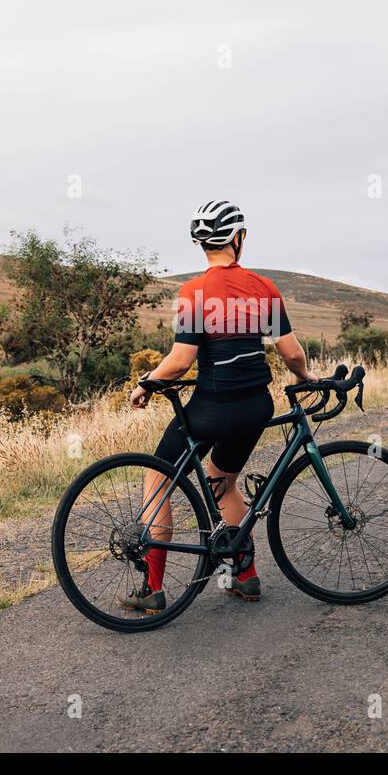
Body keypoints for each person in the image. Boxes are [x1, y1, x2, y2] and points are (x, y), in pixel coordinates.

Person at [125, 201, 317, 612]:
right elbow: (292, 353)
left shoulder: (194, 292)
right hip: (255, 408)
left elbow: (180, 361)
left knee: (157, 479)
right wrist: (304, 379)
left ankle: (153, 590)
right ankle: (245, 577)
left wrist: (145, 384)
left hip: (211, 409)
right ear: (237, 238)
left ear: (201, 244)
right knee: (224, 481)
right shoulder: (264, 287)